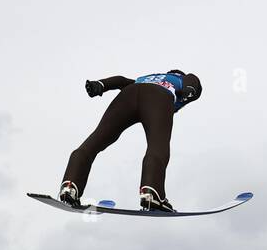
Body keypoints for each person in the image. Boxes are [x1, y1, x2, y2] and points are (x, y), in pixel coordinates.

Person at [59, 70, 202, 212]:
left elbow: (121, 80)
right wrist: (189, 90)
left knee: (96, 140)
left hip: (128, 94)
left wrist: (101, 85)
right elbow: (192, 82)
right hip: (158, 97)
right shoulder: (180, 79)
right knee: (158, 144)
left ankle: (70, 185)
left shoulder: (146, 78)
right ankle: (152, 192)